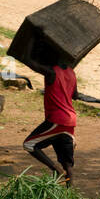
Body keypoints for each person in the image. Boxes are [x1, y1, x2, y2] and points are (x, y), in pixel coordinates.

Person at [23, 48, 79, 185]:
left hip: (57, 119)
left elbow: (29, 60)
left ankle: (55, 169)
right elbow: (75, 96)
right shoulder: (72, 73)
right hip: (70, 120)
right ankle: (68, 197)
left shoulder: (51, 72)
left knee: (29, 144)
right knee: (68, 164)